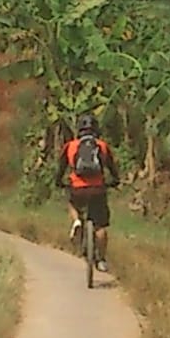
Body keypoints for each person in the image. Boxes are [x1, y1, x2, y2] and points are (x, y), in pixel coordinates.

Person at [55, 113, 119, 272]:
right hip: (98, 189)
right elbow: (112, 169)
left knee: (71, 202)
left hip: (77, 190)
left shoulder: (70, 146)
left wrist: (59, 182)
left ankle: (76, 220)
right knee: (101, 226)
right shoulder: (102, 146)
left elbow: (61, 169)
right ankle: (102, 260)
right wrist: (114, 181)